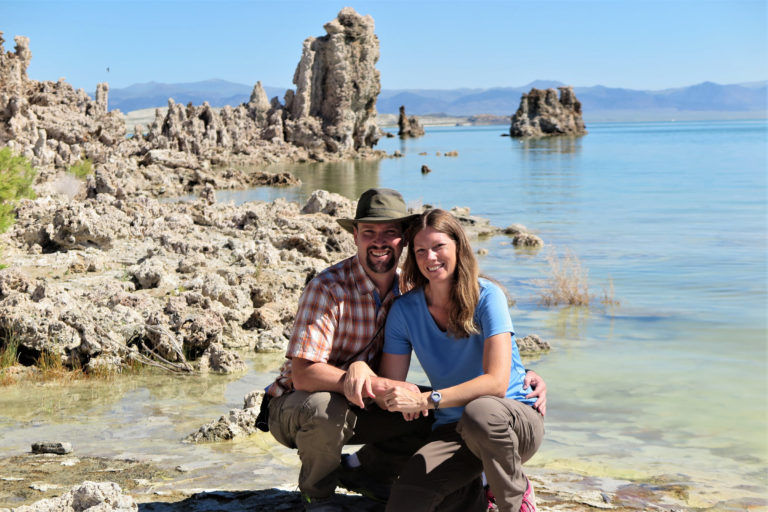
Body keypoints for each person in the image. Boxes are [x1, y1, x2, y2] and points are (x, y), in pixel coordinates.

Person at [265, 189, 547, 511]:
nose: (430, 258)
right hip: (305, 402)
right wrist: (357, 373)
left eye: (391, 232)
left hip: (499, 418)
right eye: (369, 232)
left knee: (466, 412)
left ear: (403, 240)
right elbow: (305, 375)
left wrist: (526, 374)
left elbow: (496, 381)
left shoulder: (464, 293)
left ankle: (503, 494)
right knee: (335, 414)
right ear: (355, 236)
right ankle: (324, 494)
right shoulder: (334, 288)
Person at [375, 208, 545, 512]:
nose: (430, 258)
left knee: (481, 412)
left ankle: (516, 500)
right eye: (421, 251)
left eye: (439, 246)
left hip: (512, 421)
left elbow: (496, 383)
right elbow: (393, 383)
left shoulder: (488, 296)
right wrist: (370, 377)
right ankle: (475, 491)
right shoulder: (404, 311)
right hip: (453, 428)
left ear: (458, 247)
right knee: (407, 499)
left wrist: (427, 400)